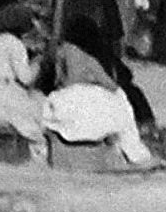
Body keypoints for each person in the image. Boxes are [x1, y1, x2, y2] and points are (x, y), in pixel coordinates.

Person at [46, 35, 156, 168]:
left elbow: (59, 81)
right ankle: (135, 155)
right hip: (82, 106)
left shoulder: (58, 54)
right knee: (120, 106)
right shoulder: (86, 59)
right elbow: (110, 84)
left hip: (62, 108)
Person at [0, 5, 49, 160]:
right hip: (2, 97)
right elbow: (26, 78)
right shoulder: (13, 43)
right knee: (40, 105)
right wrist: (38, 62)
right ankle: (38, 155)